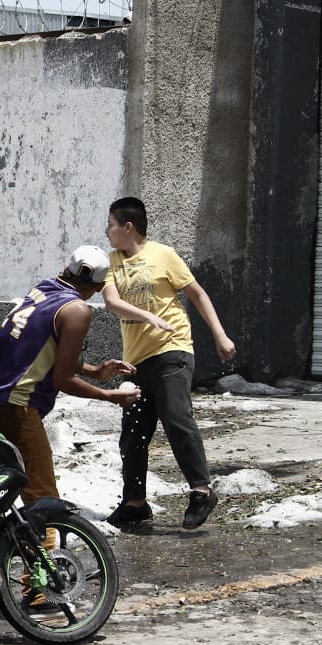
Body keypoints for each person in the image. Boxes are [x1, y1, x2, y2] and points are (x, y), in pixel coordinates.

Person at [0, 245, 141, 511]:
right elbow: (63, 379)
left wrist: (95, 371)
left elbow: (41, 351)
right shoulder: (77, 310)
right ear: (99, 287)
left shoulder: (43, 289)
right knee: (42, 495)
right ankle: (46, 538)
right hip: (13, 405)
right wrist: (108, 396)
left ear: (65, 268)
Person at [101, 196, 236, 530]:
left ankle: (202, 491)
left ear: (128, 227)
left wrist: (220, 335)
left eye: (111, 225)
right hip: (136, 361)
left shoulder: (164, 255)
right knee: (133, 432)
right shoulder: (113, 261)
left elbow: (198, 294)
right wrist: (147, 315)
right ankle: (135, 503)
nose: (107, 231)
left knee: (176, 417)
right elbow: (112, 301)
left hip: (172, 350)